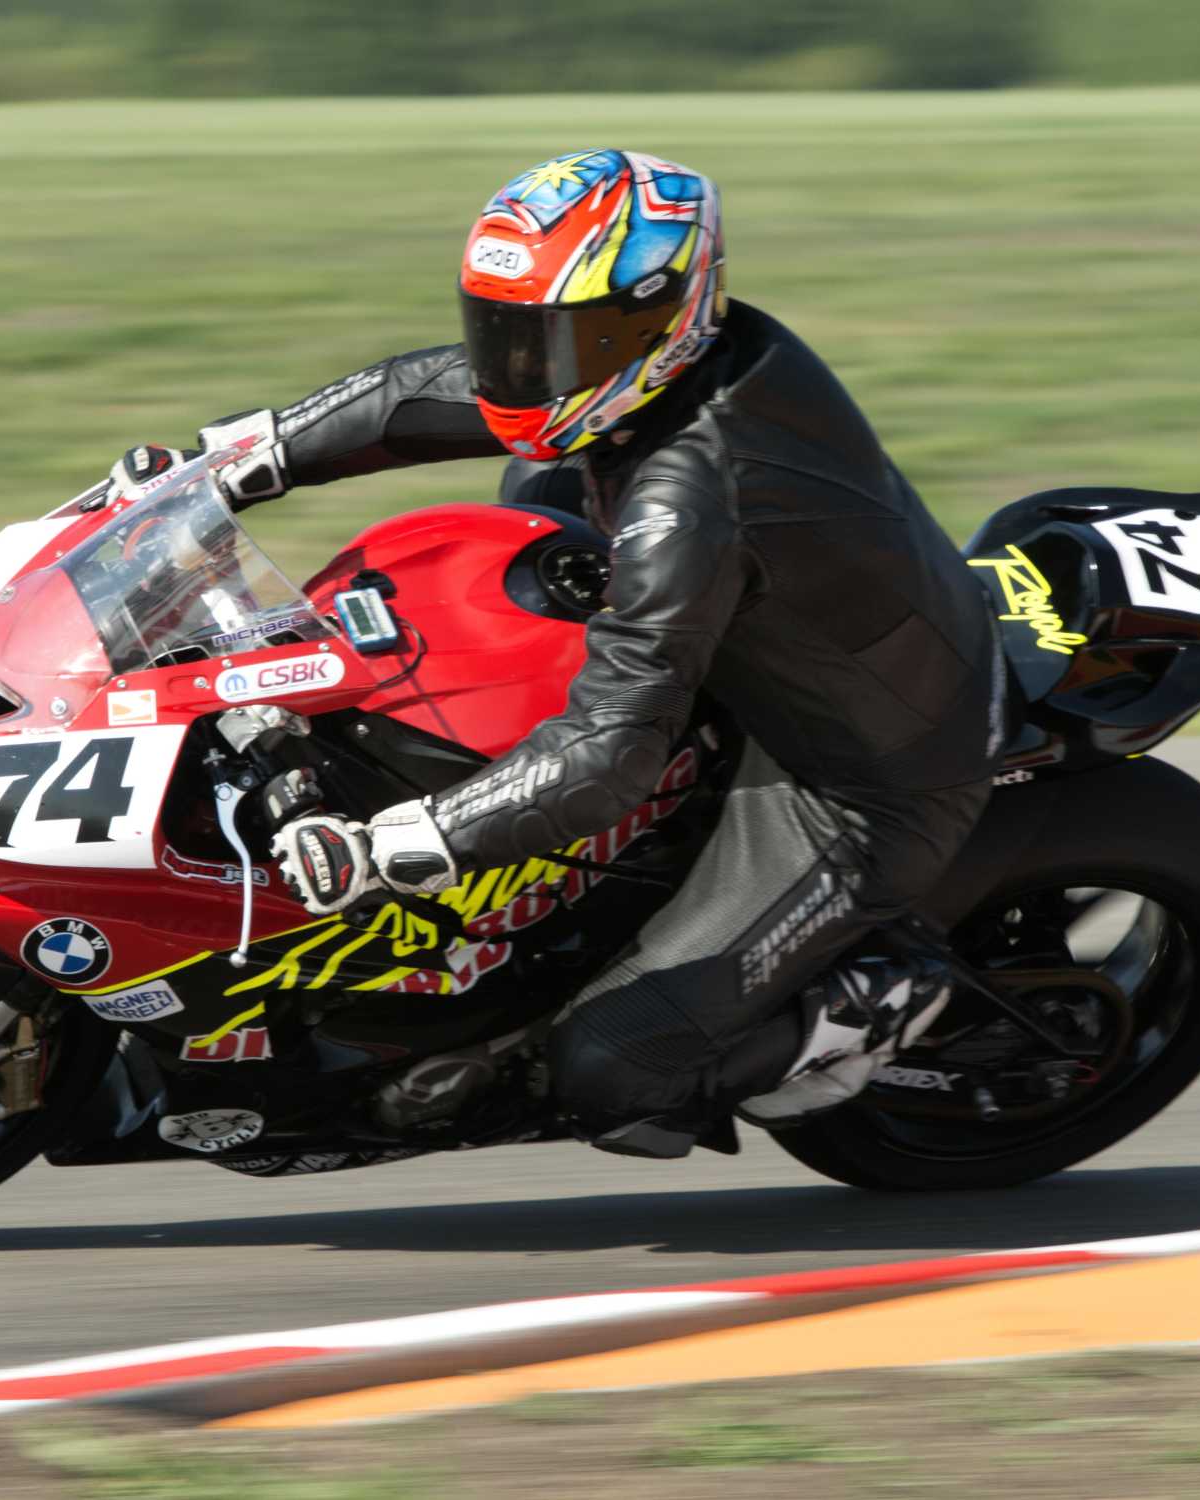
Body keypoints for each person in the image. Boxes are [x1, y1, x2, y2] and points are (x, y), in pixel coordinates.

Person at [101, 150, 1005, 1157]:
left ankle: (879, 995)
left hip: (854, 781)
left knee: (610, 1068)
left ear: (665, 313)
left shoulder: (690, 497)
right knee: (521, 515)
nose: (521, 369)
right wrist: (226, 461)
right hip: (761, 652)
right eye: (506, 332)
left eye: (561, 341)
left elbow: (609, 752)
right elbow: (421, 393)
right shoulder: (668, 362)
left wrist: (396, 846)